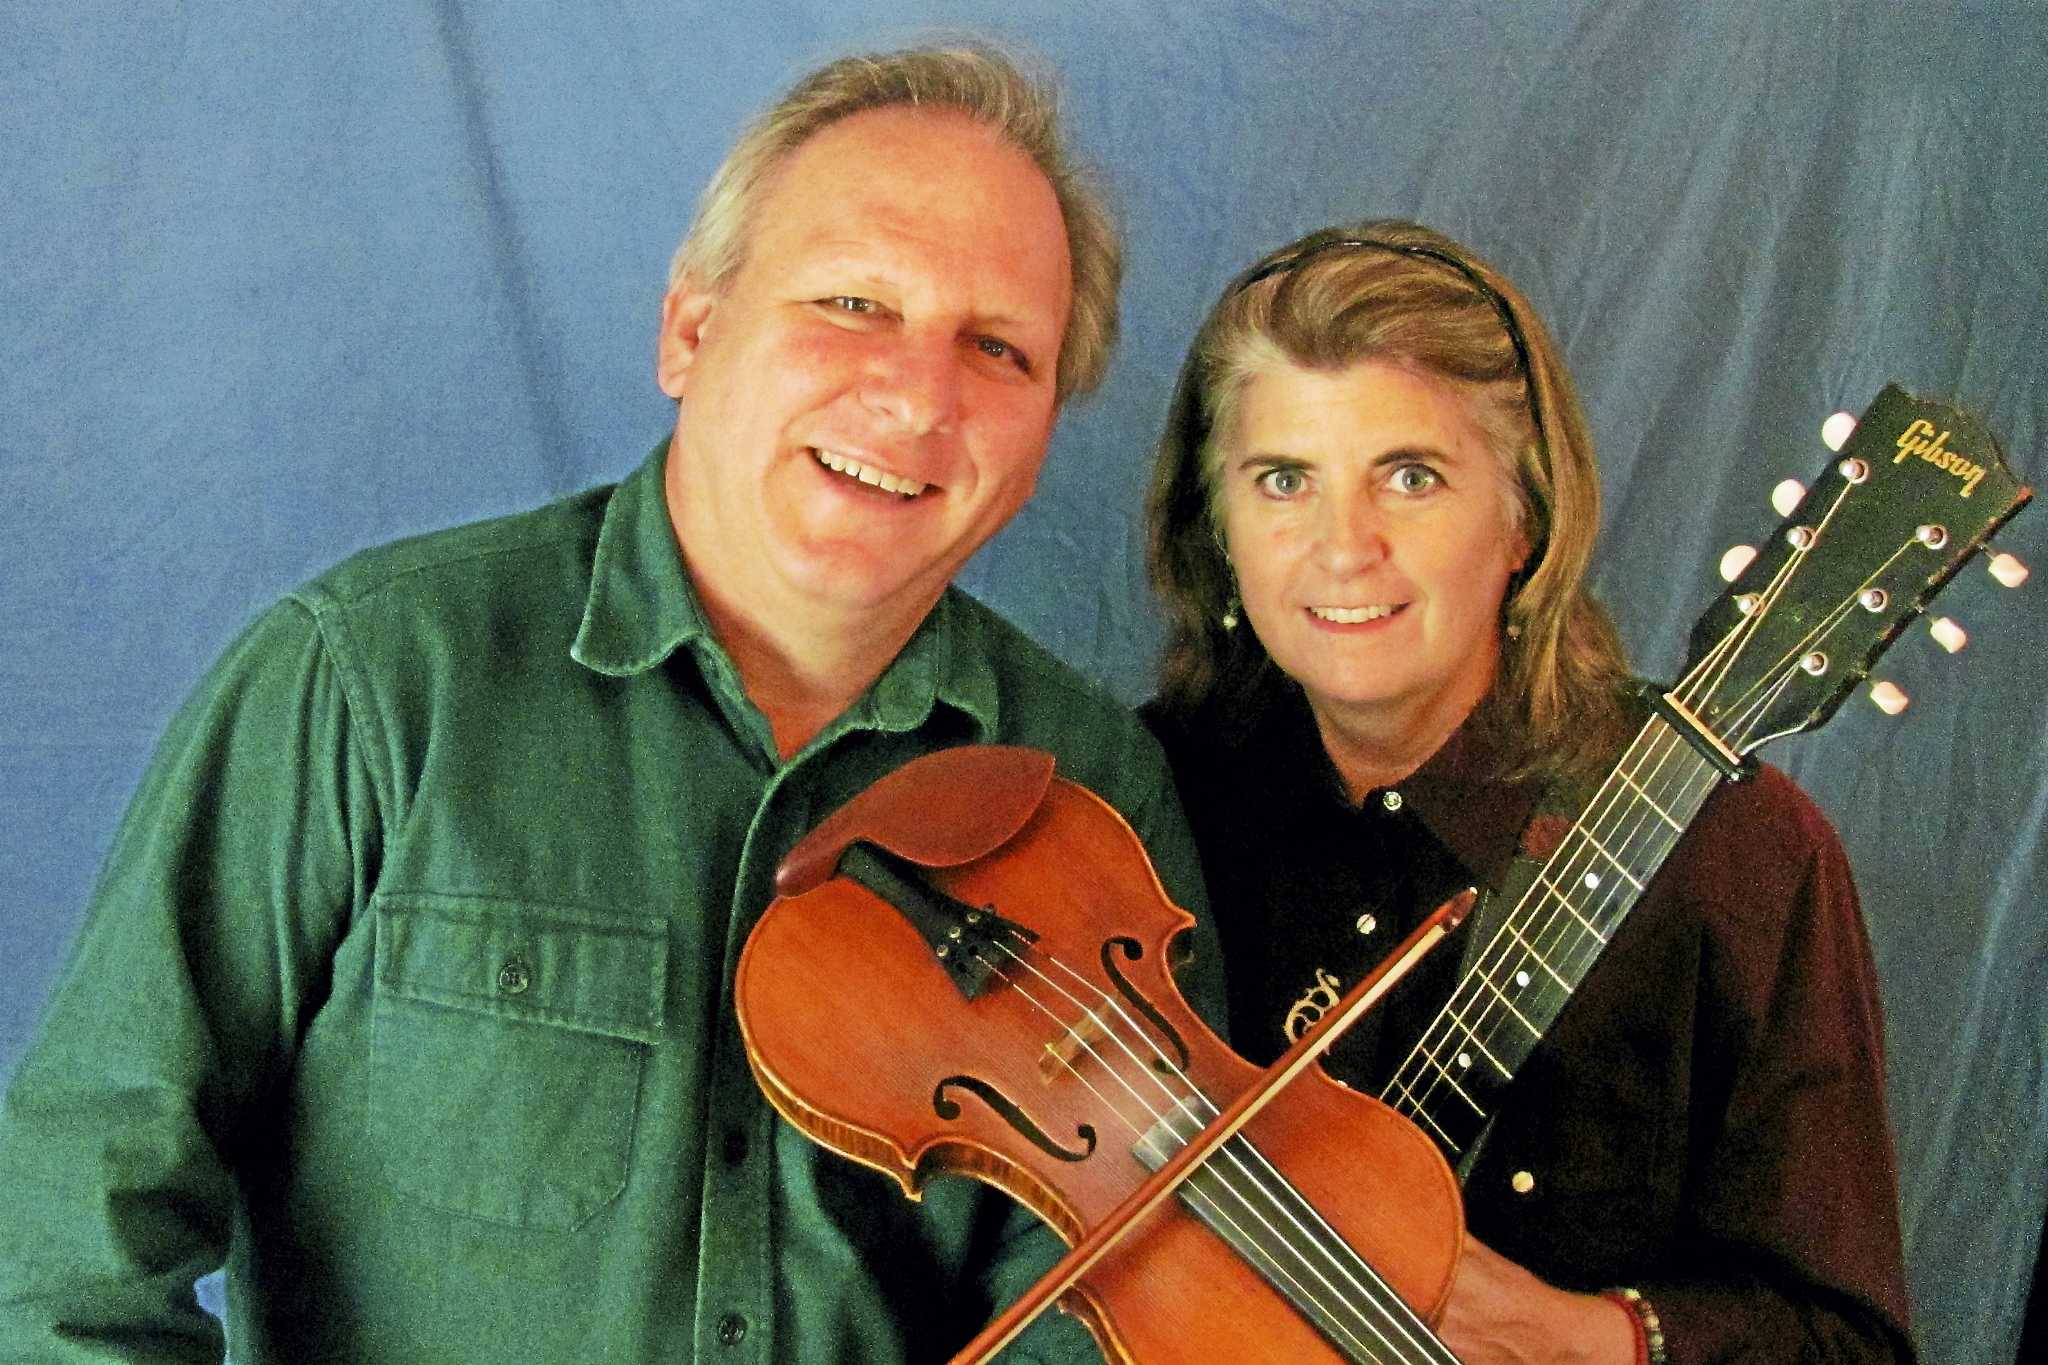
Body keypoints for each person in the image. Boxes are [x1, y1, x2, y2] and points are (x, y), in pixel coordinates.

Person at [0, 46, 1215, 1364]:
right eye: (854, 303)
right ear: (690, 330)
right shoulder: (370, 684)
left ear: (1043, 431)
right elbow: (67, 1252)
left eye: (998, 348)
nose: (920, 397)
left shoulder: (1094, 799)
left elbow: (1112, 1317)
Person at [1142, 220, 1915, 1362]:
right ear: (1217, 528)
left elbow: (1850, 1346)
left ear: (1525, 520)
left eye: (1410, 477)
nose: (1342, 548)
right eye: (1283, 480)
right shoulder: (1145, 800)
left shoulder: (1735, 849)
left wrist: (1589, 1338)